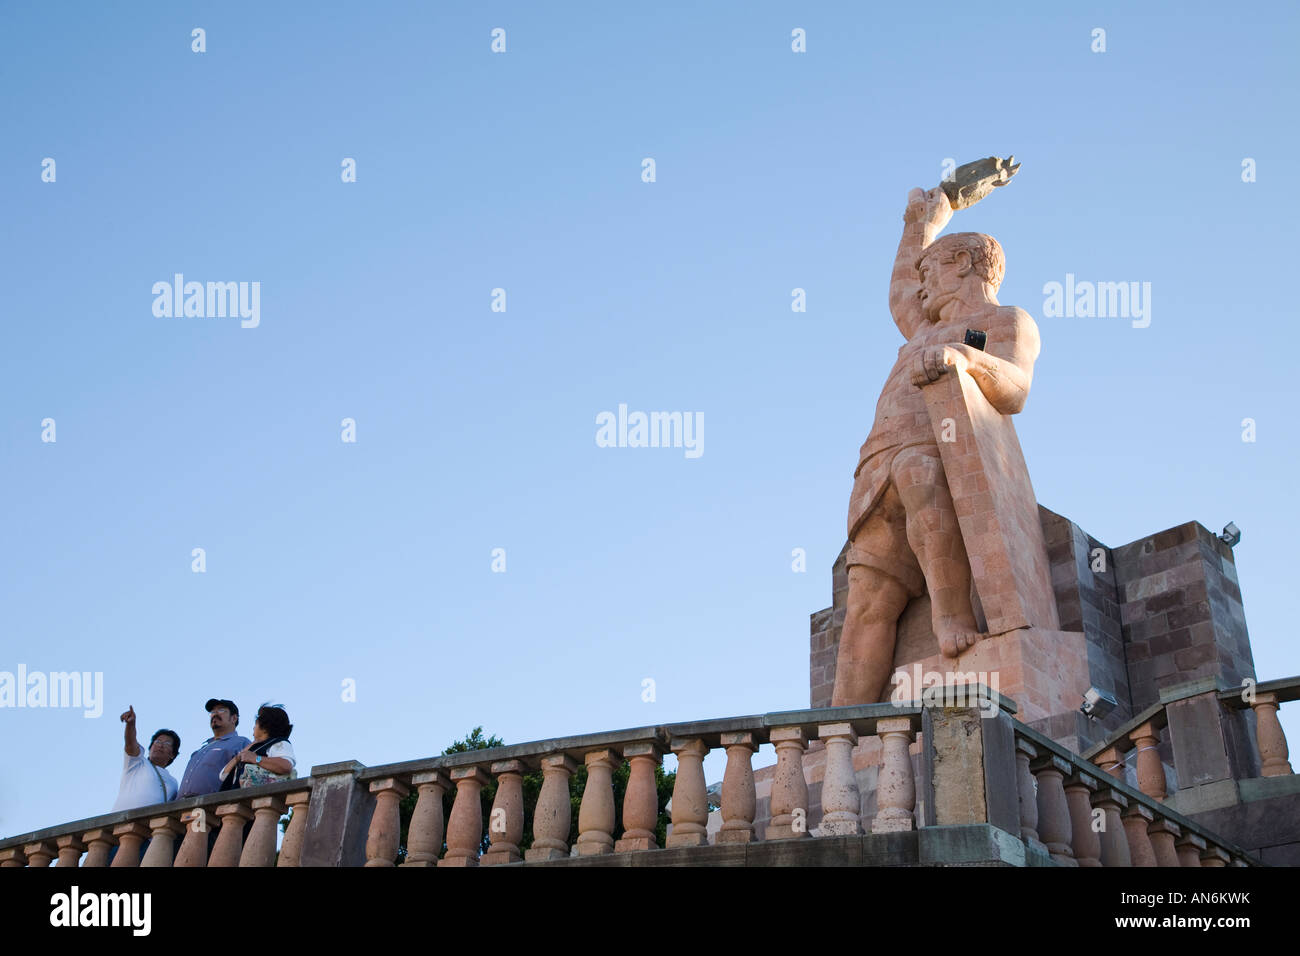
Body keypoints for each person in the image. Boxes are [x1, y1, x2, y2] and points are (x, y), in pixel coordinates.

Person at [833, 179, 1041, 707]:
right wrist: (919, 224)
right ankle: (837, 727)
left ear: (968, 263)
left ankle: (952, 613)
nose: (921, 289)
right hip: (877, 464)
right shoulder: (921, 328)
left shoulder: (1000, 321)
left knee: (919, 471)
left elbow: (1015, 388)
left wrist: (968, 359)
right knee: (868, 597)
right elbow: (900, 290)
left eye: (933, 272)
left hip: (935, 455)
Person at [177, 698, 251, 798]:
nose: (215, 714)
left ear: (234, 718)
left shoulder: (241, 743)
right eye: (212, 712)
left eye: (221, 710)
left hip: (214, 806)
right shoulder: (200, 750)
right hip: (183, 807)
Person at [111, 705, 180, 811]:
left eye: (166, 743)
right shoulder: (137, 762)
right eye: (157, 742)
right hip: (120, 821)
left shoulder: (173, 783)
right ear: (150, 748)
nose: (160, 745)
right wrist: (130, 724)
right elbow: (130, 743)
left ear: (173, 754)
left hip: (149, 826)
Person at [219, 703, 296, 789]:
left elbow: (286, 766)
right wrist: (241, 755)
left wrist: (256, 758)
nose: (253, 728)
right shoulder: (255, 748)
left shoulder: (279, 743)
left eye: (256, 723)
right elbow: (223, 775)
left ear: (265, 726)